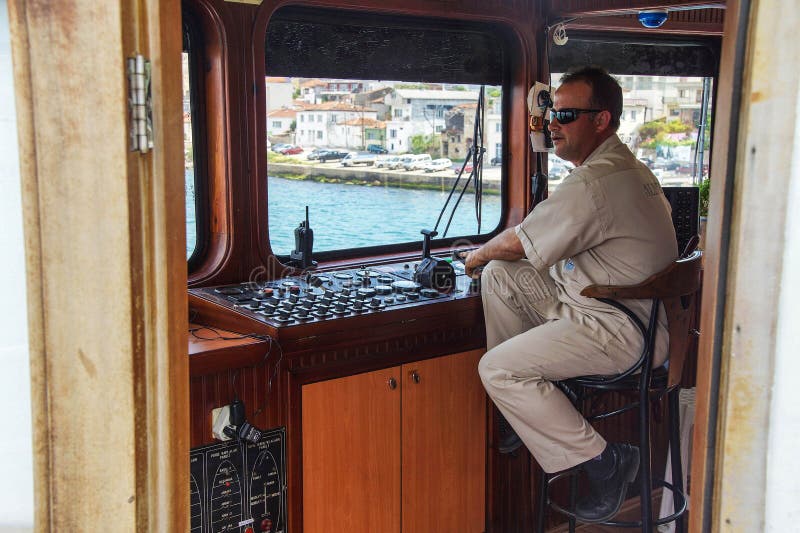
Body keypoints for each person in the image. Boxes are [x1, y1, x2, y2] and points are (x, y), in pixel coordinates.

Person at [464, 66, 678, 523]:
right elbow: (522, 255)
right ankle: (528, 409)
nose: (552, 124)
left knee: (498, 369)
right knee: (500, 276)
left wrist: (473, 254)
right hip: (620, 310)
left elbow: (520, 241)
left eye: (566, 114)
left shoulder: (594, 183)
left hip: (621, 328)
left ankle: (606, 461)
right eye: (550, 115)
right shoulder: (628, 167)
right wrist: (490, 261)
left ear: (601, 120)